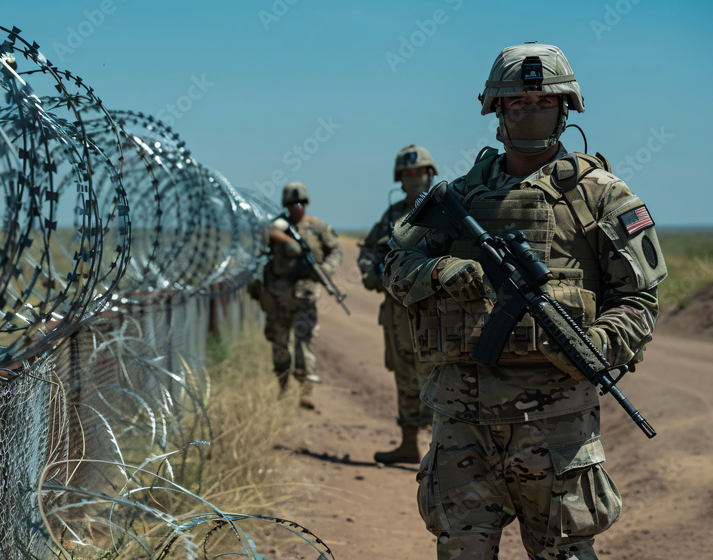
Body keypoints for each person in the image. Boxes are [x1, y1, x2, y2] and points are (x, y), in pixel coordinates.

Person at [382, 42, 666, 559]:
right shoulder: (460, 196)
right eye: (517, 105)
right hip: (462, 418)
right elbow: (396, 268)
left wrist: (597, 342)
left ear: (564, 109)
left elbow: (639, 297)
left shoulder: (602, 195)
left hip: (556, 426)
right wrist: (443, 271)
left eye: (542, 104)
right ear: (497, 111)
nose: (530, 115)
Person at [358, 145, 437, 463]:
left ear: (430, 175)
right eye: (407, 174)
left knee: (436, 378)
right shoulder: (391, 218)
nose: (413, 178)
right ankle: (408, 444)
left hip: (433, 310)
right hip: (396, 312)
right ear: (398, 179)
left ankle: (442, 451)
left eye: (418, 172)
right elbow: (368, 253)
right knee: (404, 374)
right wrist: (372, 273)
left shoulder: (443, 211)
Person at [261, 182, 342, 410]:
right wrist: (285, 240)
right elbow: (262, 238)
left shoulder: (317, 228)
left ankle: (306, 388)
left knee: (305, 341)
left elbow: (335, 250)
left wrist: (325, 270)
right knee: (279, 343)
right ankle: (282, 386)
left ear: (306, 204)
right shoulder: (278, 225)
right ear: (286, 205)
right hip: (278, 295)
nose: (297, 207)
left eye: (300, 203)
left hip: (306, 294)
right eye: (292, 204)